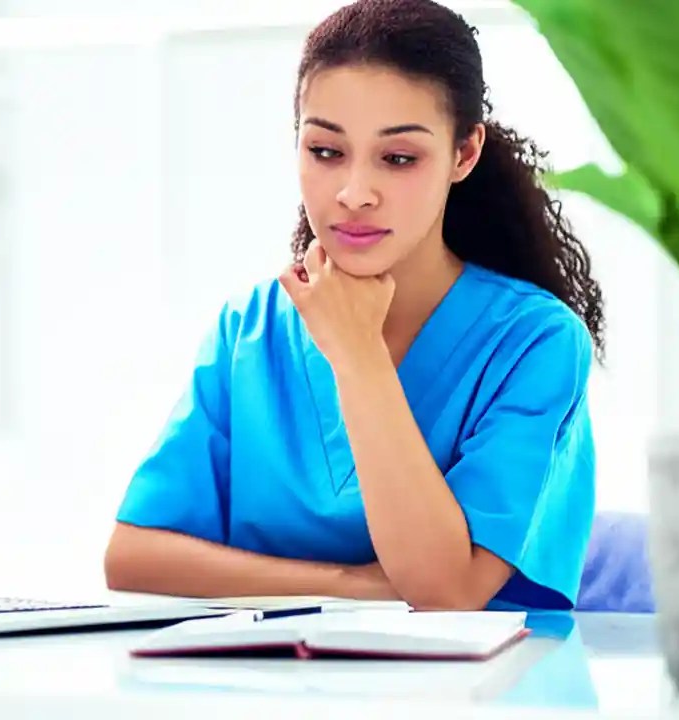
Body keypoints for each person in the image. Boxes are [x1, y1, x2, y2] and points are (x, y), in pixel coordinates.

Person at [103, 0, 604, 611]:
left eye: (398, 159)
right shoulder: (248, 330)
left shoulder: (536, 342)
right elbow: (133, 558)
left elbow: (446, 592)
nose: (354, 194)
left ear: (463, 154)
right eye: (324, 151)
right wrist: (355, 585)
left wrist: (358, 352)